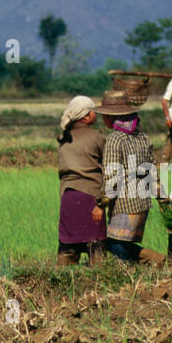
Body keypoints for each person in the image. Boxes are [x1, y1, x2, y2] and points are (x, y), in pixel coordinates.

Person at [95, 90, 162, 264]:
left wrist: (102, 202)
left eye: (104, 116)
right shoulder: (143, 137)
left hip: (125, 203)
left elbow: (113, 176)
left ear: (112, 117)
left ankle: (153, 261)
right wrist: (161, 196)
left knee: (115, 244)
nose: (102, 119)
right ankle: (146, 265)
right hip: (142, 201)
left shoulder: (115, 139)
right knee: (121, 243)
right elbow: (152, 170)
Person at [56, 95, 107, 266]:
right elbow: (110, 167)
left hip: (68, 198)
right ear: (86, 116)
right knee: (96, 247)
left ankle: (62, 282)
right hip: (91, 198)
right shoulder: (97, 138)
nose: (96, 114)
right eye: (94, 112)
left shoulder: (63, 138)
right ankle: (100, 285)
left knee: (67, 247)